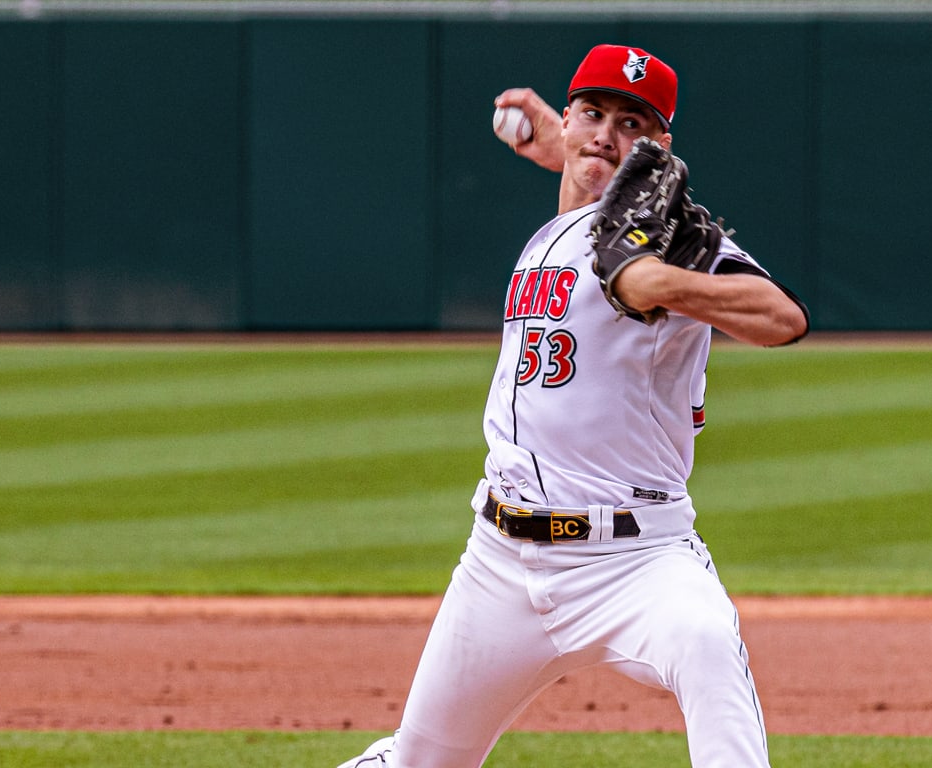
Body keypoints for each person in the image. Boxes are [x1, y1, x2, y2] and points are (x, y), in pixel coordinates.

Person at [336, 44, 808, 768]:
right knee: (420, 762)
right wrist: (551, 142)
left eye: (633, 125)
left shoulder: (671, 235)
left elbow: (781, 318)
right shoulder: (565, 216)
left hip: (637, 559)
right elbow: (588, 164)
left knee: (708, 645)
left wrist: (664, 285)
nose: (606, 136)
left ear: (660, 149)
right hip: (500, 562)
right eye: (593, 113)